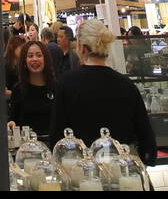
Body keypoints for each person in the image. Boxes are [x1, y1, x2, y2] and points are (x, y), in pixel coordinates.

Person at [49, 20, 156, 162]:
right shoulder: (127, 85)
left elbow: (57, 136)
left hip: (83, 171)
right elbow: (146, 138)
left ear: (83, 48)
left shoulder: (67, 83)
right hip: (121, 171)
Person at [10, 40, 55, 136]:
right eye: (30, 56)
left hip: (52, 144)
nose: (35, 59)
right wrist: (11, 124)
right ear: (24, 61)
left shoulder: (57, 87)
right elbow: (13, 119)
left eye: (39, 55)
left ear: (45, 59)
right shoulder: (18, 89)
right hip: (26, 146)